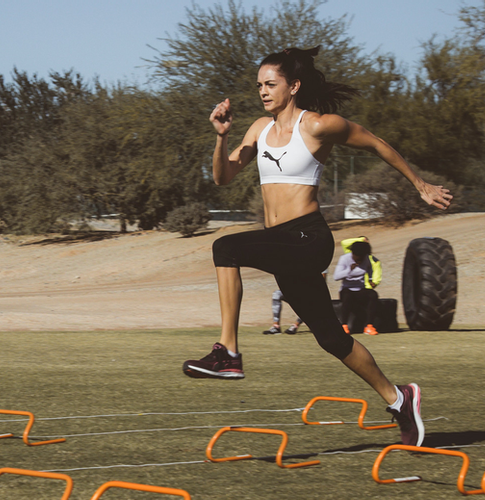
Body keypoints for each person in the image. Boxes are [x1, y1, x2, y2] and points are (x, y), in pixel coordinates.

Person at [182, 46, 452, 447]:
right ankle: (399, 398)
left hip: (307, 238)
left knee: (226, 248)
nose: (263, 91)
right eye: (259, 85)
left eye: (271, 84)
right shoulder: (258, 129)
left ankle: (229, 354)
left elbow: (376, 143)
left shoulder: (319, 126)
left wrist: (420, 184)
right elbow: (223, 177)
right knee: (331, 338)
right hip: (283, 244)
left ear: (293, 86)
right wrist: (220, 139)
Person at [334, 239, 382, 335]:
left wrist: (371, 279)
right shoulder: (344, 259)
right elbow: (336, 277)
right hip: (347, 288)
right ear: (353, 253)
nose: (359, 260)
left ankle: (369, 326)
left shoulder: (366, 258)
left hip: (360, 289)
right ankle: (344, 325)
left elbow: (370, 269)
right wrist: (349, 270)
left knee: (373, 295)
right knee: (347, 296)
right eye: (357, 257)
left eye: (362, 258)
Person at [263, 270, 326, 335]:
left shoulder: (322, 264)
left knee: (310, 300)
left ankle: (295, 325)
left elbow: (320, 283)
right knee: (277, 294)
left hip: (309, 293)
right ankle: (276, 327)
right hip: (295, 291)